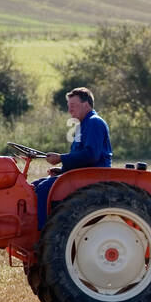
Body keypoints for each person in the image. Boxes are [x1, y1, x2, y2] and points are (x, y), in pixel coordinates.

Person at [33, 87, 112, 229]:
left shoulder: (94, 122)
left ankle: (43, 232)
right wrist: (62, 170)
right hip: (81, 173)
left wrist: (61, 158)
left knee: (45, 189)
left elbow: (91, 156)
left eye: (73, 106)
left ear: (86, 105)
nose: (70, 110)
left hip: (92, 176)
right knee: (35, 185)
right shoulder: (82, 126)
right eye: (68, 106)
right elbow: (79, 157)